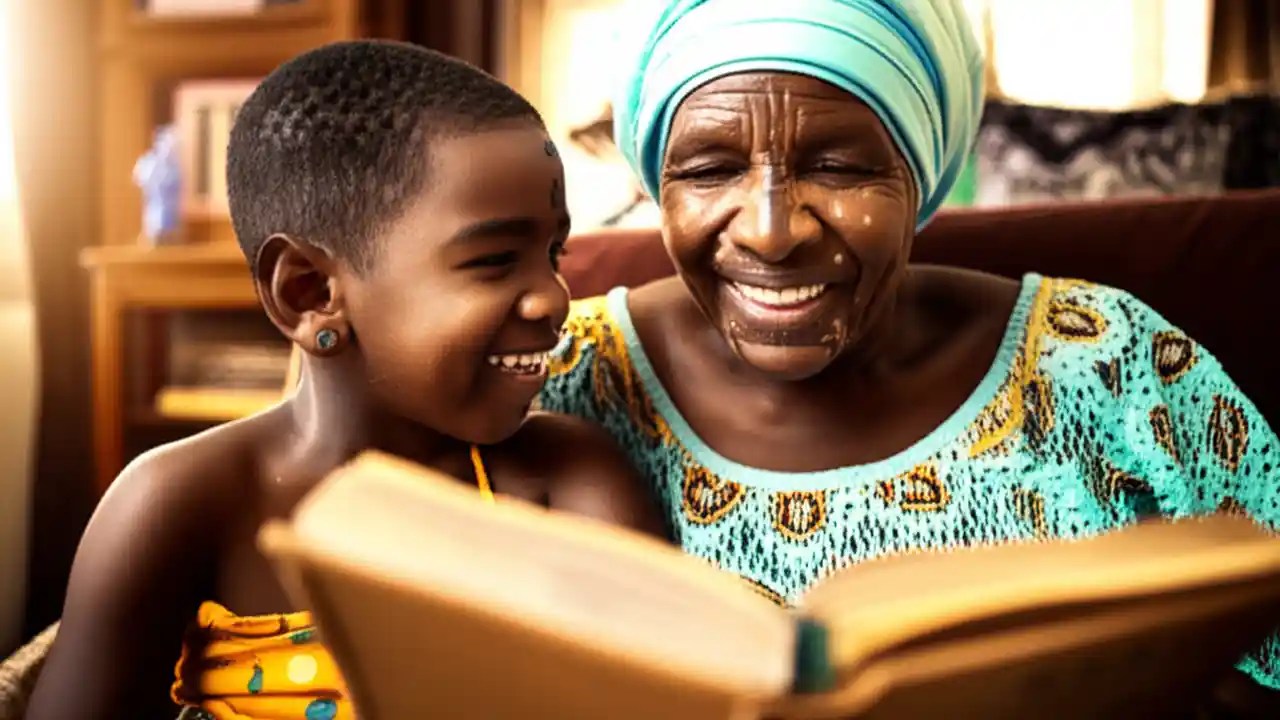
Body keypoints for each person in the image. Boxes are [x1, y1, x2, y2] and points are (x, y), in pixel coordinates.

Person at [539, 0, 1280, 713]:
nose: (770, 233)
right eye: (707, 171)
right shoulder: (548, 376)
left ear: (918, 173)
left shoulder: (1107, 361)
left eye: (836, 166)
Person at [26, 40, 663, 720]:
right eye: (496, 260)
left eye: (552, 254)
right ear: (309, 292)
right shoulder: (179, 504)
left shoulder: (567, 481)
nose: (553, 297)